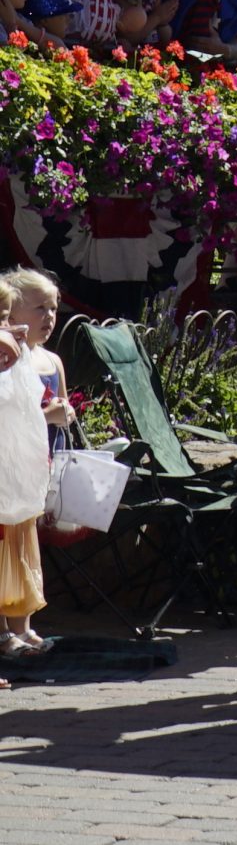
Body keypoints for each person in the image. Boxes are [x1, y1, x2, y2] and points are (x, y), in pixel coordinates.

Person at [0, 270, 70, 658]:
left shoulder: (49, 360)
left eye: (54, 308)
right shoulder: (7, 356)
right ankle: (2, 630)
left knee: (25, 545)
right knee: (3, 547)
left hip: (31, 463)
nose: (48, 316)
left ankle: (22, 624)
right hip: (5, 463)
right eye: (39, 307)